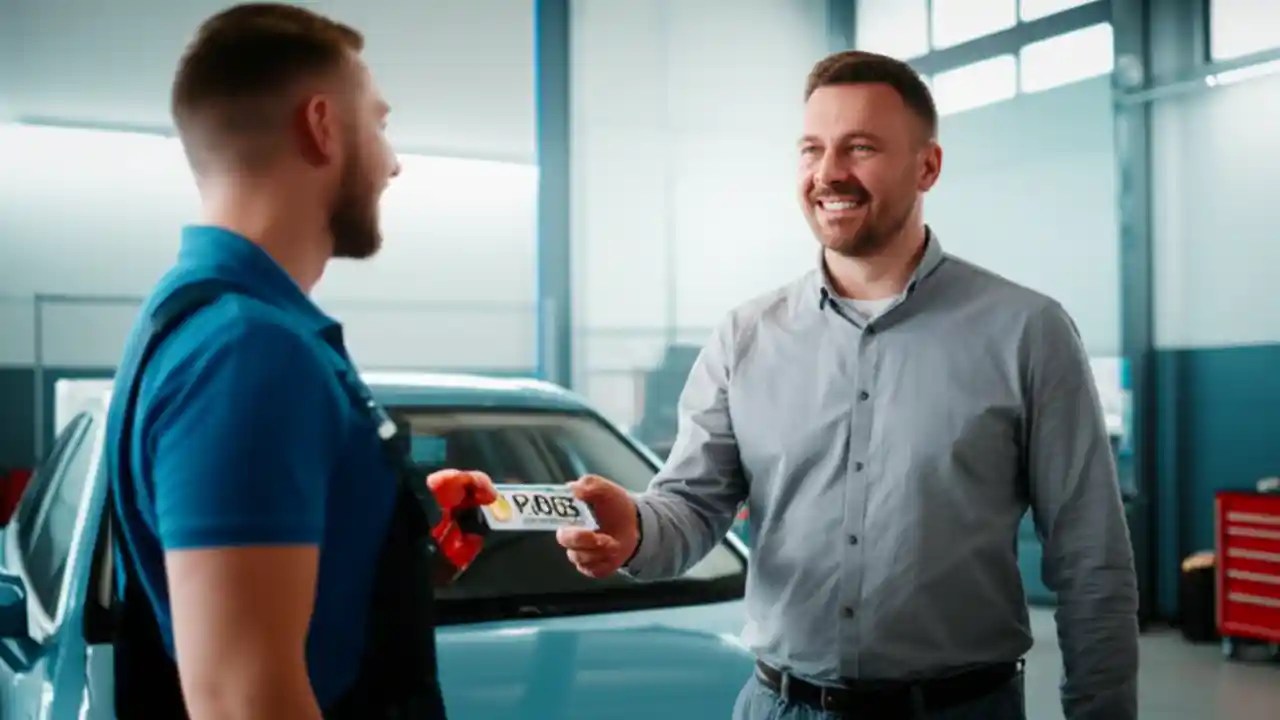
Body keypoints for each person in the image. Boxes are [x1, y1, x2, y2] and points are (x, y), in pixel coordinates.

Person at [557, 50, 1139, 720]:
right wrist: (632, 528)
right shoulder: (746, 336)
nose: (828, 173)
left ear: (927, 166)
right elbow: (691, 507)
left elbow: (1091, 558)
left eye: (859, 148)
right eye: (812, 149)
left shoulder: (1027, 331)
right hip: (780, 706)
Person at [102, 4, 495, 718]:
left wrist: (386, 521)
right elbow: (241, 700)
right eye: (378, 124)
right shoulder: (248, 353)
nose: (393, 163)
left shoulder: (206, 319)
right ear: (321, 125)